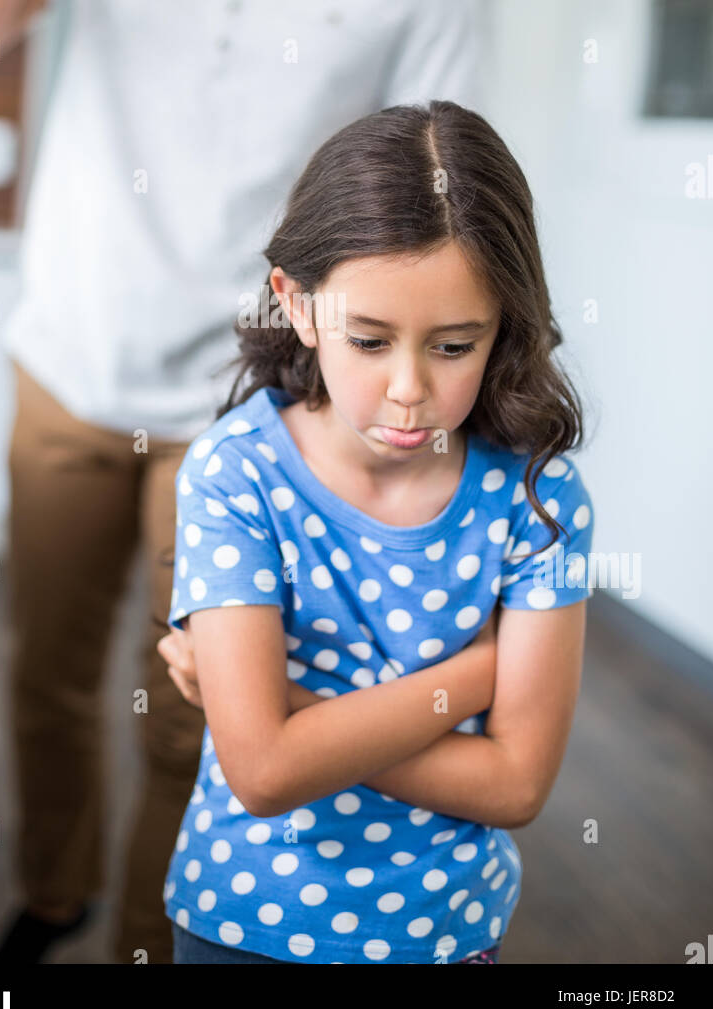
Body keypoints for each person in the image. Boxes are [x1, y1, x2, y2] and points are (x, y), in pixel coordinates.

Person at [0, 0, 484, 966]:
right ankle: (51, 895)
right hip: (68, 363)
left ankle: (150, 948)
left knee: (208, 709)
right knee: (46, 675)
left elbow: (436, 216)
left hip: (255, 410)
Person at [157, 99, 594, 964]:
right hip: (245, 925)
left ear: (503, 322)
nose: (408, 389)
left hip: (448, 933)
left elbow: (516, 785)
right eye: (369, 339)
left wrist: (289, 716)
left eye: (453, 346)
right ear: (299, 305)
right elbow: (266, 776)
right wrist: (483, 671)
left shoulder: (539, 496)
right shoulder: (234, 472)